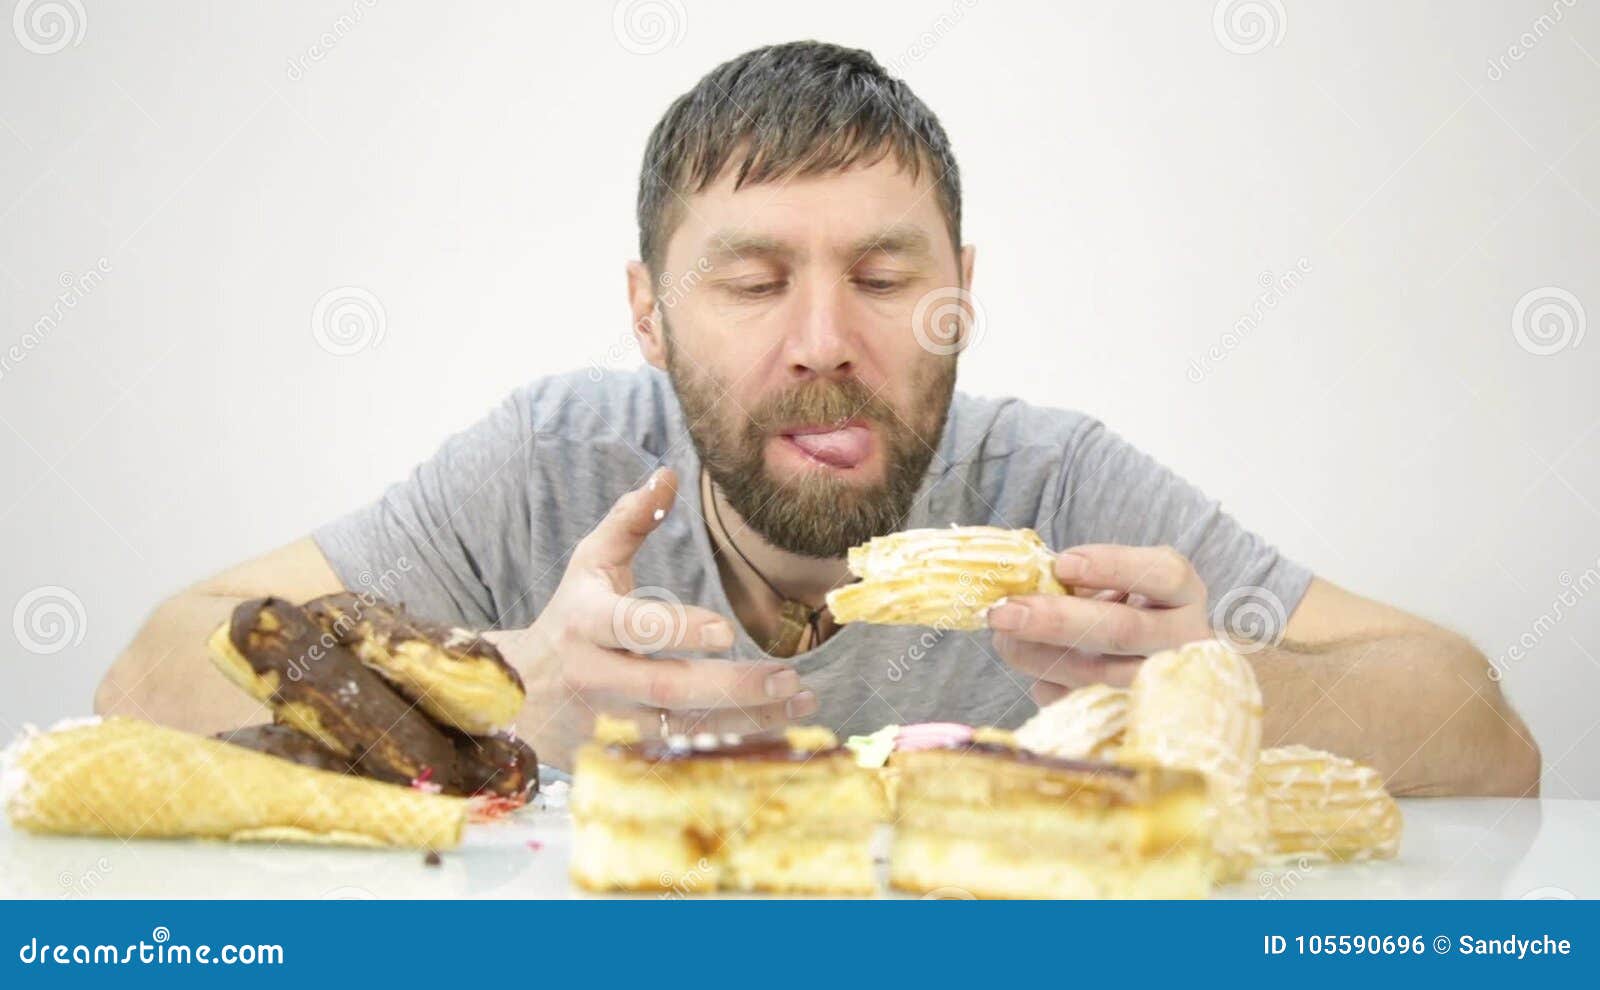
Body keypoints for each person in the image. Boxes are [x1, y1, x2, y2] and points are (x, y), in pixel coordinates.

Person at [97, 41, 1539, 793]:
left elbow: (1484, 728)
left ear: (959, 296)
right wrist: (508, 691)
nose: (824, 343)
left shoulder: (1058, 492)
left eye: (884, 272)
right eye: (752, 279)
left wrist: (1209, 687)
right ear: (650, 314)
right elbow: (148, 676)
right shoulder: (548, 470)